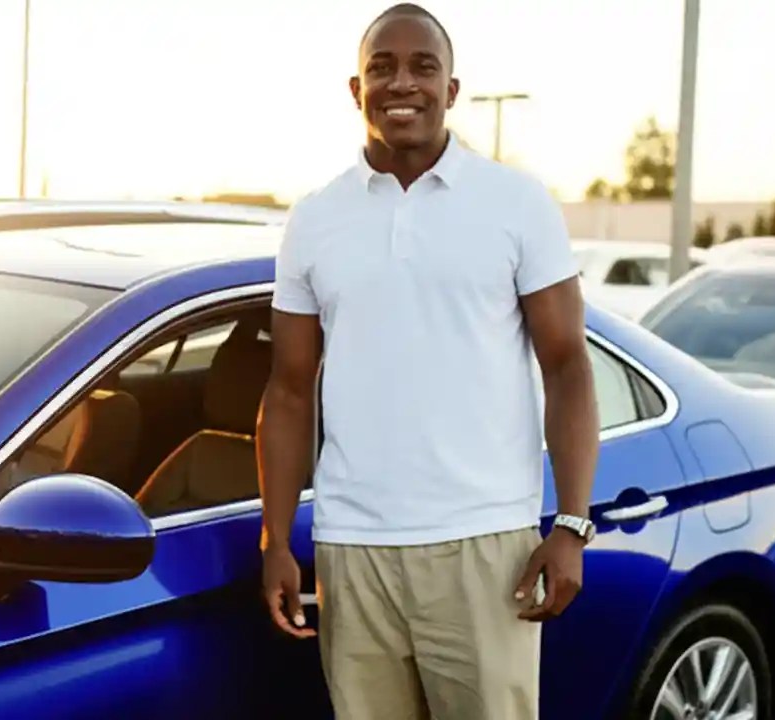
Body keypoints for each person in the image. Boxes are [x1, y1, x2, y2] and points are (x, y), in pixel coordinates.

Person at [257, 3, 600, 718]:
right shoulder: (315, 218)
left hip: (485, 547)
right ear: (356, 90)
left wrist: (571, 524)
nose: (402, 83)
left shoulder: (516, 203)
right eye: (381, 68)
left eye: (423, 67)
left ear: (451, 89)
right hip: (352, 549)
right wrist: (275, 539)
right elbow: (288, 390)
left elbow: (568, 366)